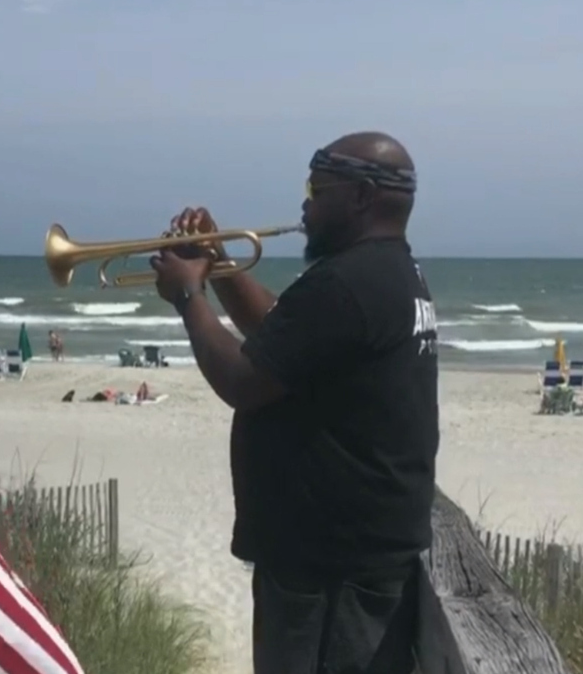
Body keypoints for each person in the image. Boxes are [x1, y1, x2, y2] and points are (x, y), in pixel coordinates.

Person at [150, 132, 437, 674]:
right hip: (349, 556)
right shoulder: (388, 271)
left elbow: (242, 379)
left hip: (330, 571)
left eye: (315, 188)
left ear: (360, 195)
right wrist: (222, 262)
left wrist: (189, 296)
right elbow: (284, 331)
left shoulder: (349, 282)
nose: (304, 203)